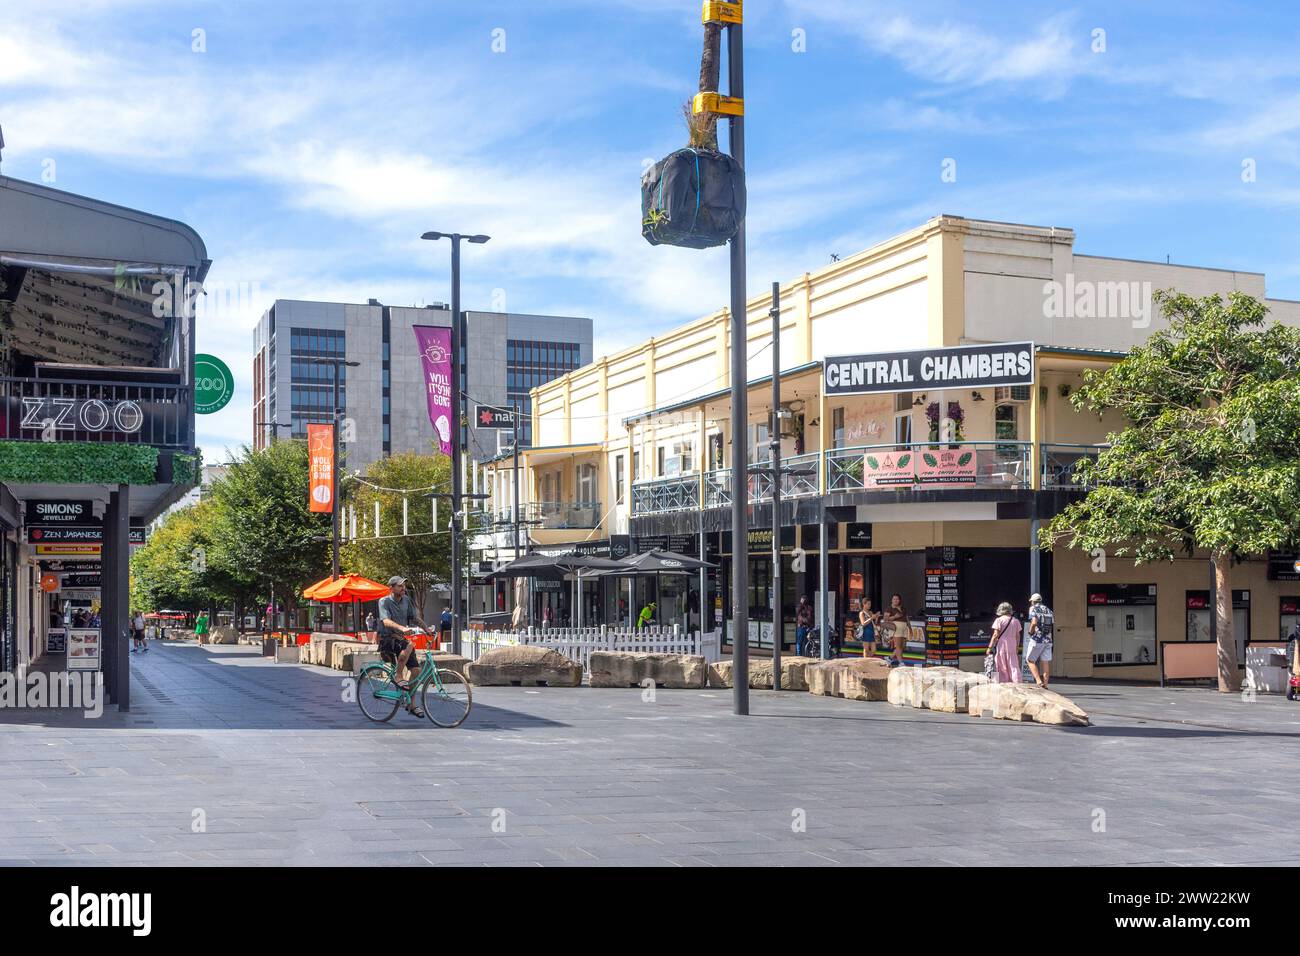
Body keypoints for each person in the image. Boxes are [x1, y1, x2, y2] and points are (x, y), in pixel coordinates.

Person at [377, 575, 429, 717]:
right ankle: (398, 675)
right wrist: (402, 628)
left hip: (400, 639)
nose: (403, 588)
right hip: (387, 638)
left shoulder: (406, 600)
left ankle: (411, 705)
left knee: (416, 670)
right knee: (408, 646)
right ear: (391, 588)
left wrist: (427, 629)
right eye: (400, 586)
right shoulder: (384, 601)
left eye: (404, 585)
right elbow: (386, 621)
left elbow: (414, 618)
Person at [988, 601, 1023, 683]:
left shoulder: (998, 620)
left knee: (1001, 665)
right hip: (1012, 646)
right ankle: (1017, 682)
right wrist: (1017, 647)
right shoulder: (1016, 621)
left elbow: (995, 635)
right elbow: (1018, 636)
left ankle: (1003, 683)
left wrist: (989, 647)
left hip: (1002, 646)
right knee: (1013, 666)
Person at [1025, 592, 1054, 689]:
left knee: (1030, 660)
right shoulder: (1049, 610)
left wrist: (1030, 632)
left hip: (1037, 639)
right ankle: (1045, 684)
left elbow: (1033, 623)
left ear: (1033, 602)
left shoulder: (1033, 608)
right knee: (1045, 662)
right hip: (1048, 639)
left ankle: (1038, 681)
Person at [883, 594, 908, 667]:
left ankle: (889, 658)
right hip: (895, 628)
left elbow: (906, 618)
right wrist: (894, 617)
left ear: (899, 600)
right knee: (898, 646)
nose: (895, 600)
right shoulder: (889, 608)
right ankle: (901, 663)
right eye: (894, 599)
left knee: (902, 646)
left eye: (897, 599)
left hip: (904, 627)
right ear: (892, 600)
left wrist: (909, 628)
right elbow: (885, 619)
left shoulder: (903, 608)